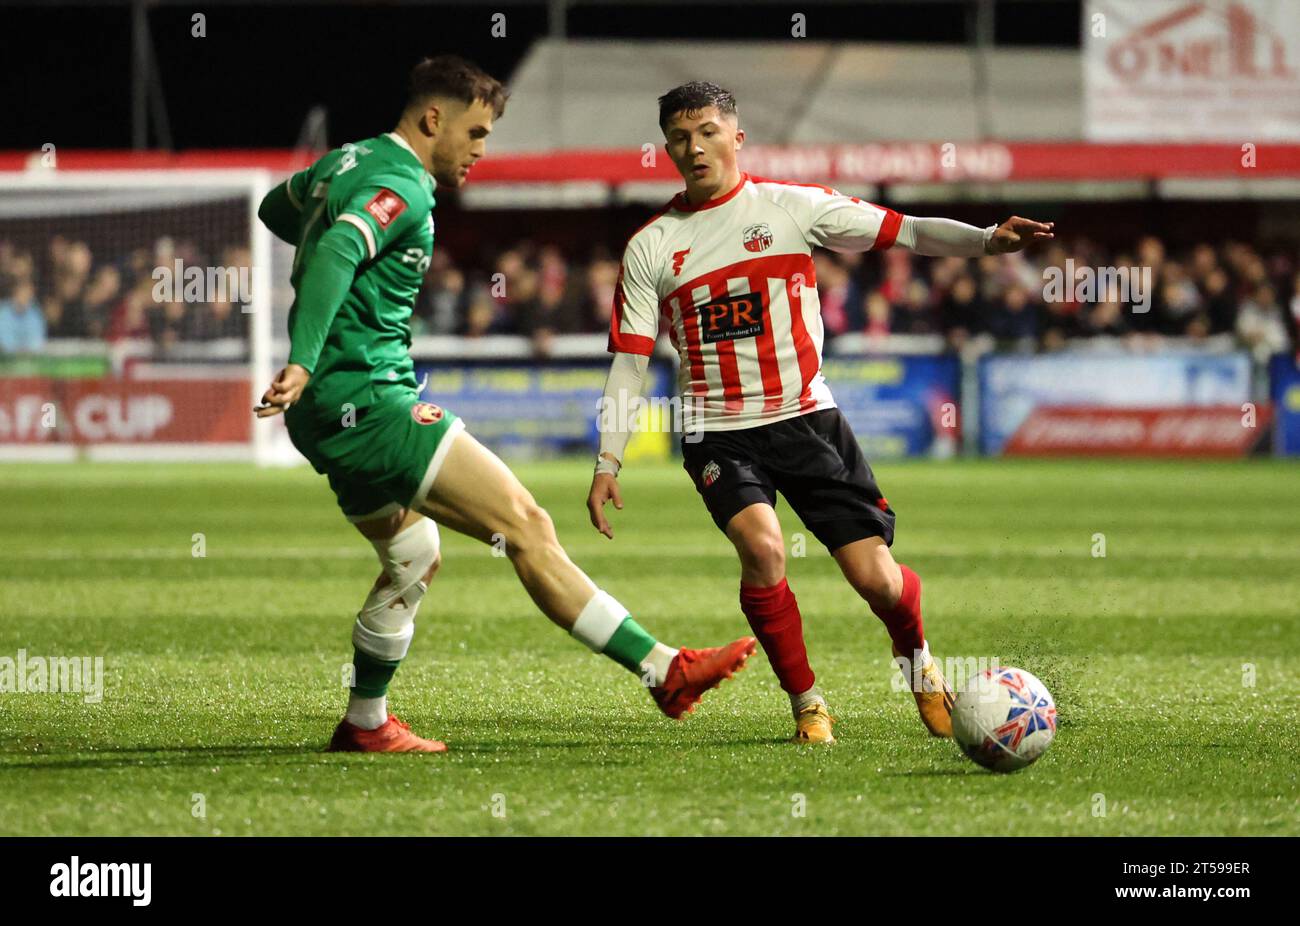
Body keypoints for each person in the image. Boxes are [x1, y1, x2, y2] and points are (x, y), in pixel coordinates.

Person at [255, 57, 756, 754]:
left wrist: (330, 288)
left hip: (324, 412)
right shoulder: (406, 183)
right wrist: (307, 356)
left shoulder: (346, 162)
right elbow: (341, 246)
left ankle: (365, 722)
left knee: (412, 553)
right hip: (365, 398)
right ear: (434, 119)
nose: (482, 151)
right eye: (478, 132)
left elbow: (277, 209)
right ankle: (664, 670)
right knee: (524, 523)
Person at [588, 81, 1053, 744]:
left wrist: (985, 241)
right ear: (666, 148)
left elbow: (907, 231)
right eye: (680, 139)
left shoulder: (791, 208)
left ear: (736, 137)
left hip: (806, 419)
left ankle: (918, 665)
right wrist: (609, 459)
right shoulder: (652, 247)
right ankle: (807, 703)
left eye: (708, 132)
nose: (696, 148)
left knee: (880, 584)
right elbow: (630, 362)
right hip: (717, 431)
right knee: (762, 546)